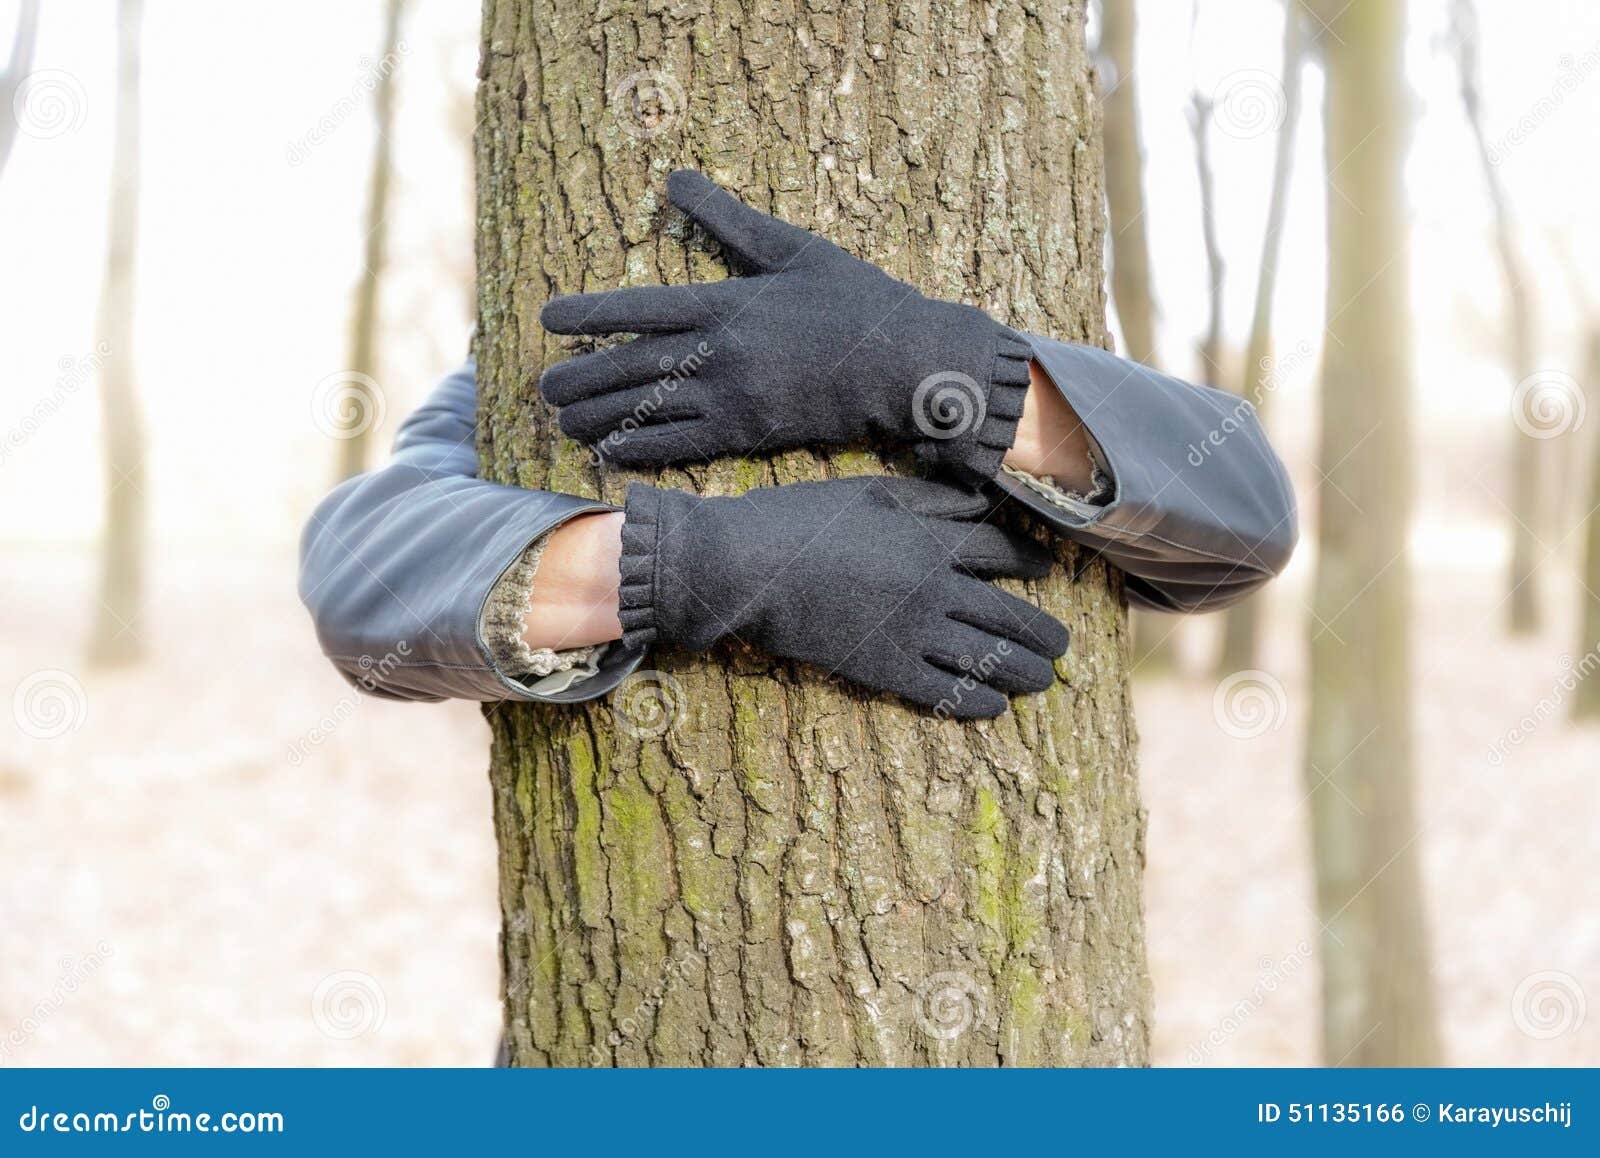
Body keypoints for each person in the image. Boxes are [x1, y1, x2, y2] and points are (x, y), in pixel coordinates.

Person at [299, 171, 1296, 720]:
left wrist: (925, 366)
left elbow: (1243, 526)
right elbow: (362, 591)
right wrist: (693, 566)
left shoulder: (1046, 313)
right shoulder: (557, 364)